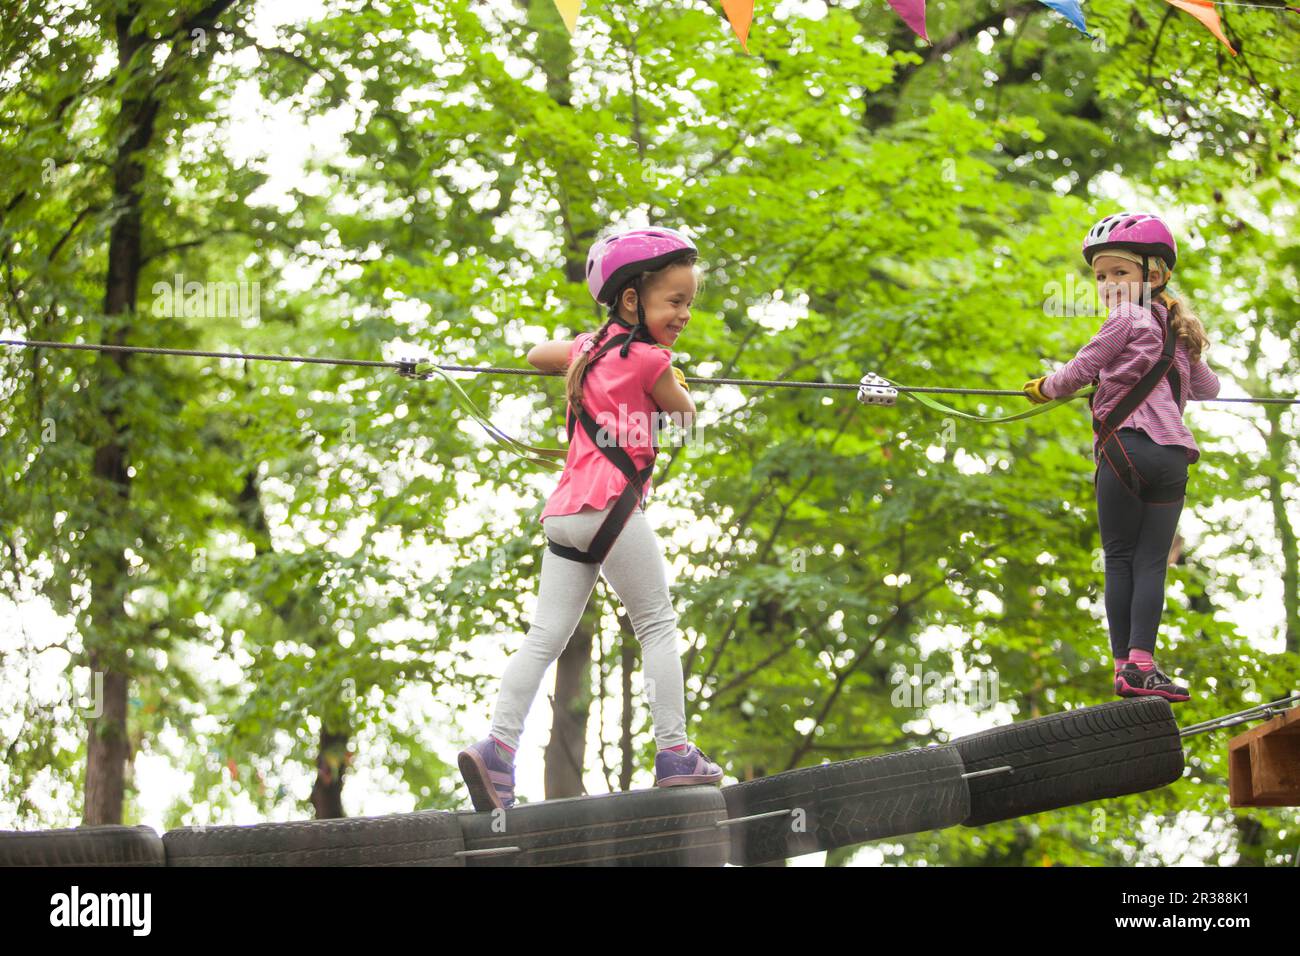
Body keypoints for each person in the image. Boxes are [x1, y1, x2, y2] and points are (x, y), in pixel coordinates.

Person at [457, 226, 724, 811]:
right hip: (612, 507)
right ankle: (675, 751)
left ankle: (498, 750)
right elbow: (686, 420)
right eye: (675, 301)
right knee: (655, 623)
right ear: (633, 300)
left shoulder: (585, 350)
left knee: (543, 637)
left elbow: (534, 357)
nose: (684, 314)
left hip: (564, 514)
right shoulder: (653, 360)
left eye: (688, 303)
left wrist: (587, 351)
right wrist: (672, 384)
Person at [1024, 212, 1220, 703]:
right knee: (1153, 561)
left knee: (1120, 559)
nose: (1108, 284)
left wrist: (1045, 388)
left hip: (1125, 450)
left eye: (1119, 273)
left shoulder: (1126, 318)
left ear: (1152, 276)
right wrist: (1190, 351)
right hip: (1172, 460)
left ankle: (1122, 666)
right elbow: (1209, 389)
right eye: (1100, 276)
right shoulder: (1176, 331)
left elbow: (1080, 370)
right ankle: (1144, 663)